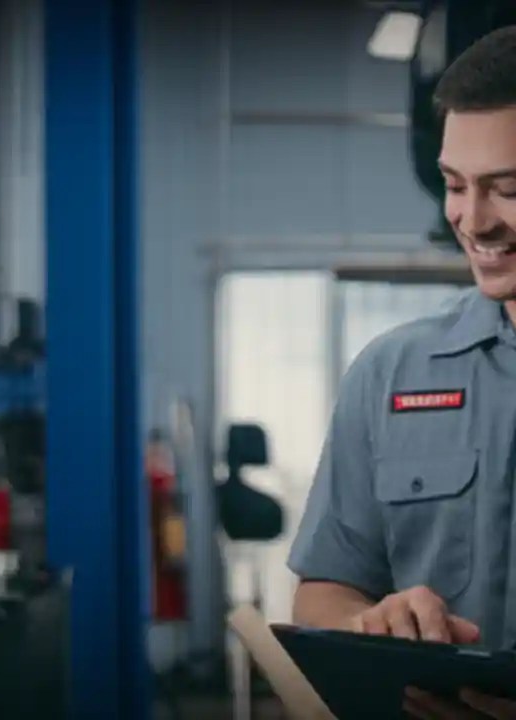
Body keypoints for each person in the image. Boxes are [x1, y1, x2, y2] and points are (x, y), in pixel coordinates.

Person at [287, 26, 516, 720]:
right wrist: (371, 624)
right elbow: (322, 594)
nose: (473, 220)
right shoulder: (391, 375)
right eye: (454, 185)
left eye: (508, 189)